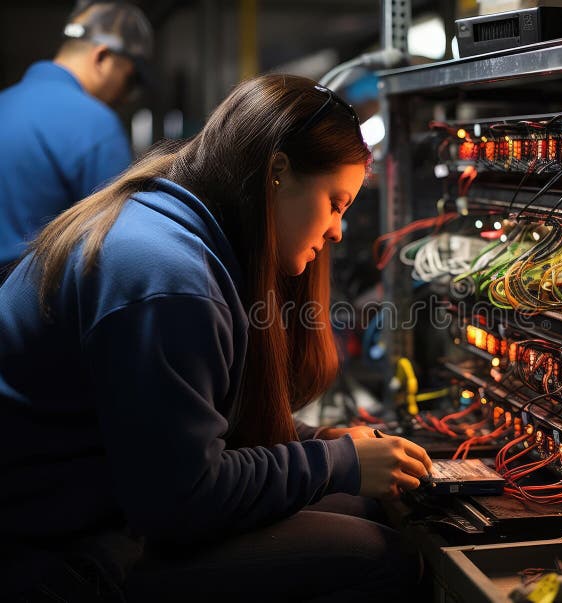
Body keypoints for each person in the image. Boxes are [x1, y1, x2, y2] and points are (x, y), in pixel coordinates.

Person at [0, 74, 433, 602]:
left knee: (360, 506)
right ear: (277, 172)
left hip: (89, 512)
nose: (339, 229)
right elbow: (181, 500)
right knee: (382, 557)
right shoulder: (168, 278)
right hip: (60, 554)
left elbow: (179, 423)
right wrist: (336, 464)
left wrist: (317, 444)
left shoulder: (168, 228)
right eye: (336, 203)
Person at [0, 2, 153, 274]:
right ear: (102, 58)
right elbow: (119, 245)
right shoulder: (95, 124)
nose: (124, 97)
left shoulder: (5, 103)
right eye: (129, 80)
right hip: (40, 306)